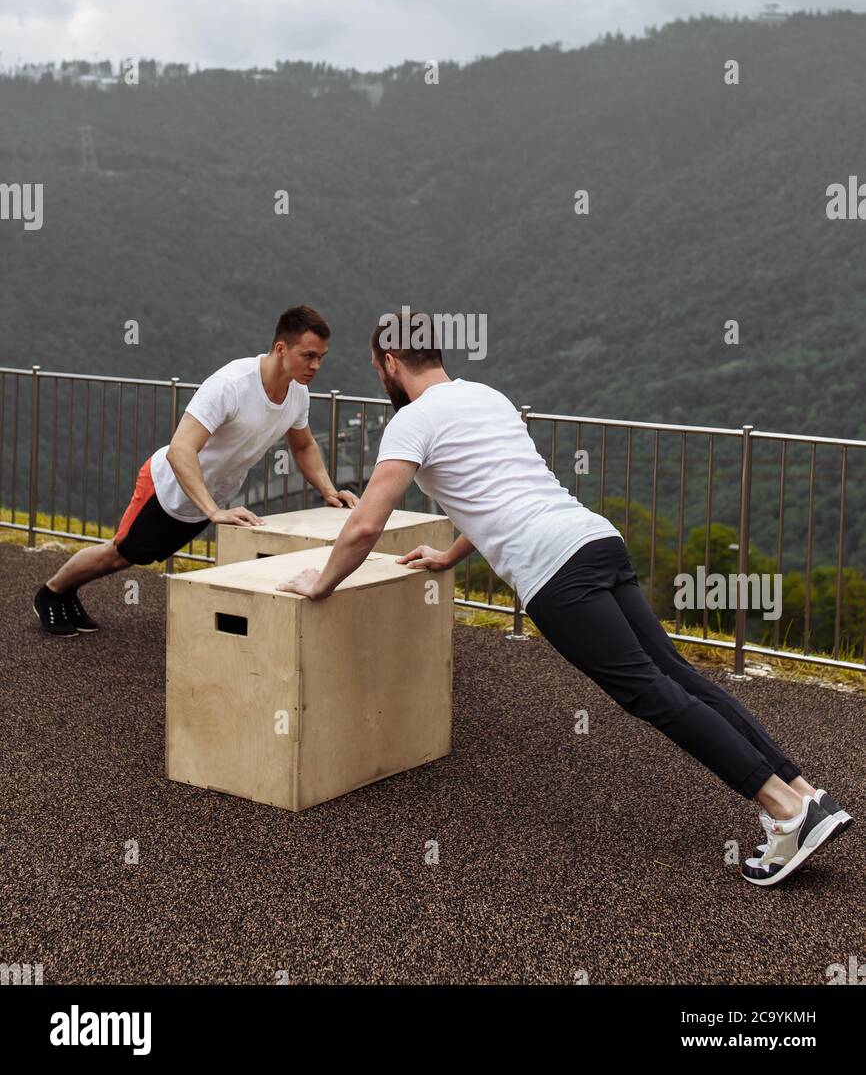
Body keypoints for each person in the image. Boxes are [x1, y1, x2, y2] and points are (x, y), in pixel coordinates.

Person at [278, 311, 853, 888]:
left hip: (555, 574)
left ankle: (785, 809)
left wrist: (320, 582)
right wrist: (449, 557)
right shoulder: (487, 396)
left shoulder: (411, 423)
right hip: (595, 539)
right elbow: (499, 490)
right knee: (680, 677)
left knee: (653, 694)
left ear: (390, 364)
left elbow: (363, 526)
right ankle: (805, 795)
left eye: (379, 365)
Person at [33, 304, 358, 638]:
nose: (316, 365)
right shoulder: (231, 384)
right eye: (309, 355)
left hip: (207, 499)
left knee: (138, 556)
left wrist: (328, 490)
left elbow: (303, 445)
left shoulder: (297, 395)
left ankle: (66, 592)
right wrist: (214, 511)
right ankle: (52, 593)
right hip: (167, 487)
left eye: (321, 357)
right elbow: (180, 450)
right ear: (281, 348)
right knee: (120, 554)